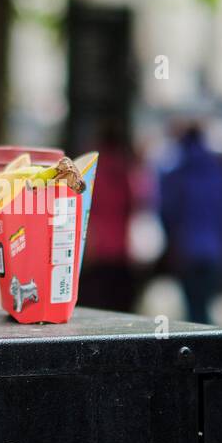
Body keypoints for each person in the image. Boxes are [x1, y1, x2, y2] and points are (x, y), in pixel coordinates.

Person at [157, 124, 222, 324]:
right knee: (206, 305)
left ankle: (200, 349)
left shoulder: (177, 173)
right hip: (214, 250)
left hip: (187, 251)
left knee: (193, 309)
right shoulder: (219, 172)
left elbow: (167, 212)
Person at [78, 121, 139, 312]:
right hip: (122, 250)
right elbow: (136, 203)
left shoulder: (92, 170)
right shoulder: (127, 169)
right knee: (118, 308)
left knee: (96, 308)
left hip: (95, 250)